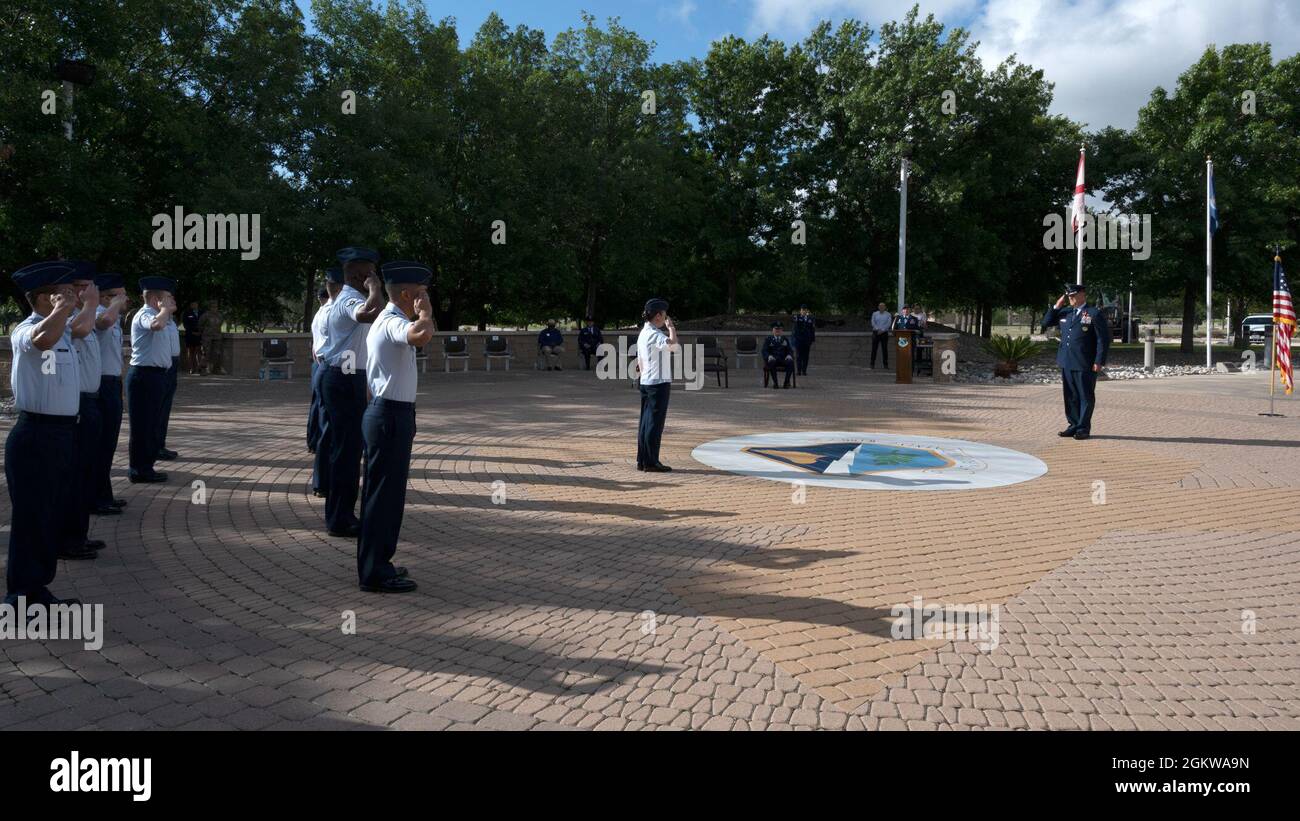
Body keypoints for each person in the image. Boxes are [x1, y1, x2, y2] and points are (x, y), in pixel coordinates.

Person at [6, 261, 90, 606]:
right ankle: (21, 596)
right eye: (64, 291)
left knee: (50, 514)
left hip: (61, 434)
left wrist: (84, 303)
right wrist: (62, 309)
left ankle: (37, 590)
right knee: (33, 517)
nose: (72, 296)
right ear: (43, 298)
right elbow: (43, 339)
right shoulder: (25, 329)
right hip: (36, 435)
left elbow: (80, 328)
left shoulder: (64, 331)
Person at [357, 261, 435, 594]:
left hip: (386, 413)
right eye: (421, 294)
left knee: (383, 496)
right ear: (406, 295)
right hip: (390, 416)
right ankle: (375, 572)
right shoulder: (391, 322)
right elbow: (420, 336)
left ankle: (377, 563)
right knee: (384, 499)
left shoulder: (387, 319)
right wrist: (425, 315)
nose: (425, 298)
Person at [319, 247, 385, 538]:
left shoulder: (348, 297)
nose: (374, 276)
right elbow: (368, 314)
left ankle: (339, 514)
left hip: (345, 378)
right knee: (347, 453)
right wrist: (376, 290)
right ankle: (340, 518)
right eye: (371, 272)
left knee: (344, 450)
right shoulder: (349, 299)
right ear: (360, 274)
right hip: (344, 379)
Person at [62, 262, 107, 559]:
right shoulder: (68, 320)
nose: (86, 293)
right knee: (74, 475)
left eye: (88, 288)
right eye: (80, 288)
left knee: (86, 471)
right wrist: (91, 303)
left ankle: (79, 534)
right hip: (76, 405)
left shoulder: (81, 317)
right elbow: (82, 327)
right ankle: (69, 539)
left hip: (90, 400)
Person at [125, 276, 177, 483]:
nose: (171, 300)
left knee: (152, 423)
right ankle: (138, 470)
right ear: (156, 299)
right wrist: (164, 310)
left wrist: (165, 312)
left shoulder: (160, 315)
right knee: (142, 426)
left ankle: (146, 466)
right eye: (167, 297)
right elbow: (155, 326)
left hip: (157, 376)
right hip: (144, 376)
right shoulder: (144, 315)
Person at [1042, 283, 1109, 440]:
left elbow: (1102, 340)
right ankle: (1073, 424)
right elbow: (1045, 323)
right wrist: (1056, 307)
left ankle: (1083, 428)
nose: (1070, 298)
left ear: (1082, 295)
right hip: (1066, 361)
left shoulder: (1093, 313)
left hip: (1085, 362)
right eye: (1069, 296)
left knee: (1085, 395)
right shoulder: (1066, 313)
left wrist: (1099, 361)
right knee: (1070, 395)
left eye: (1073, 295)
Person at [93, 273, 130, 515]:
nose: (127, 299)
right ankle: (97, 498)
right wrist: (114, 303)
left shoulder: (112, 316)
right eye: (122, 295)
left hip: (112, 383)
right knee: (100, 445)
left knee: (108, 445)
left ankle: (104, 494)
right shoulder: (98, 313)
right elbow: (102, 323)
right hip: (101, 385)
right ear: (107, 296)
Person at [636, 299, 678, 472]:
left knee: (645, 423)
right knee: (654, 423)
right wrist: (672, 329)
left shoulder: (644, 332)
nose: (666, 318)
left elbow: (639, 360)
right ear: (659, 315)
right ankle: (651, 462)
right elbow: (674, 346)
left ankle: (643, 460)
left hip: (646, 381)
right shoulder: (656, 334)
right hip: (658, 383)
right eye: (665, 314)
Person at [308, 282, 333, 498]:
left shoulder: (321, 313)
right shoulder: (329, 312)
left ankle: (312, 440)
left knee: (318, 408)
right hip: (329, 365)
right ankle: (323, 480)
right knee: (324, 416)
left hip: (322, 363)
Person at [156, 293, 182, 461]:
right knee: (157, 410)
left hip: (173, 365)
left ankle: (160, 444)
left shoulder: (171, 322)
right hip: (163, 366)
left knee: (165, 410)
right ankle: (155, 446)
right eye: (169, 298)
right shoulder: (159, 320)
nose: (173, 300)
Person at [763, 322, 796, 389]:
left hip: (783, 359)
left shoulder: (785, 339)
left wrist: (789, 355)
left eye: (780, 329)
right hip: (773, 359)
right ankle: (775, 383)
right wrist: (769, 356)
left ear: (782, 330)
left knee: (790, 363)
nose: (778, 330)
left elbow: (790, 350)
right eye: (776, 329)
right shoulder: (768, 339)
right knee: (771, 363)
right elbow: (764, 350)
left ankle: (786, 382)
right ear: (773, 330)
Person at [199, 299, 224, 374]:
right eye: (212, 307)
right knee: (206, 353)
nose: (214, 308)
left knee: (217, 353)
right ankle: (203, 369)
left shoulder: (219, 315)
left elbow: (220, 324)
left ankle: (216, 369)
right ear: (209, 307)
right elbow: (200, 325)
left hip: (217, 337)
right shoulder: (205, 315)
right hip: (207, 337)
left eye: (216, 307)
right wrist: (204, 332)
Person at [792, 305, 816, 376]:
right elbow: (795, 327)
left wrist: (812, 339)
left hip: (807, 340)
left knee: (806, 356)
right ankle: (799, 371)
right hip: (799, 340)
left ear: (807, 311)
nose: (804, 311)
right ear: (800, 310)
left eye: (805, 310)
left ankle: (804, 371)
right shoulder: (797, 317)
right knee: (798, 356)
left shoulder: (810, 318)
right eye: (802, 310)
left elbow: (812, 330)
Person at [182, 301, 203, 374]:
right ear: (190, 305)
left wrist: (200, 332)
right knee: (190, 352)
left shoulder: (201, 312)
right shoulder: (187, 313)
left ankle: (199, 368)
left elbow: (205, 323)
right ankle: (191, 368)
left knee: (199, 351)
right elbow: (185, 324)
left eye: (196, 304)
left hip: (200, 335)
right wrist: (192, 332)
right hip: (190, 335)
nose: (195, 305)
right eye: (193, 304)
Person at [870, 302, 892, 368]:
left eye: (883, 306)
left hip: (884, 333)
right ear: (878, 307)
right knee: (874, 349)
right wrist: (878, 329)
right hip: (875, 333)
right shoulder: (874, 314)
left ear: (885, 307)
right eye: (880, 306)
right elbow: (873, 322)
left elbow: (888, 324)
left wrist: (882, 330)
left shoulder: (888, 314)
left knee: (884, 349)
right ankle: (872, 364)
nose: (881, 307)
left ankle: (885, 364)